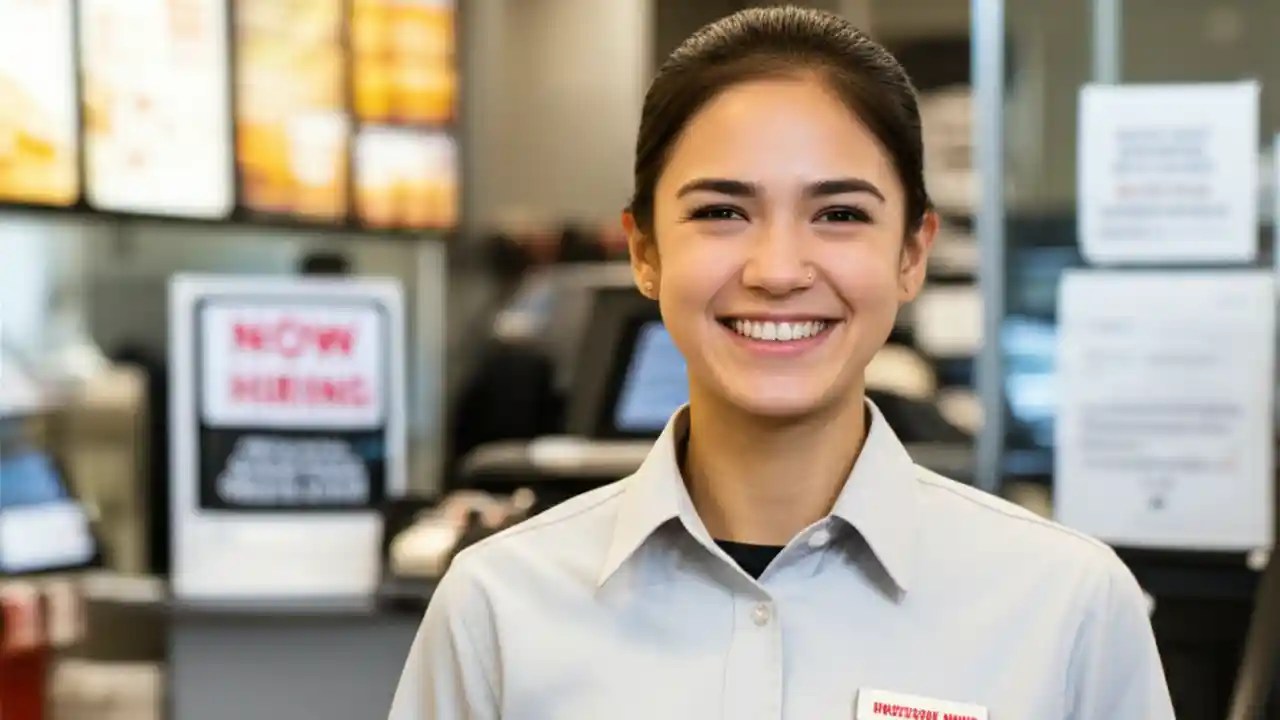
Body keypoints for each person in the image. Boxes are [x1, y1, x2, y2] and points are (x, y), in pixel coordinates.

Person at [388, 7, 1174, 719]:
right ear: (645, 251)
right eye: (722, 212)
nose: (778, 268)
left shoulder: (1065, 604)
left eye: (838, 214)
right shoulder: (499, 606)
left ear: (911, 253)